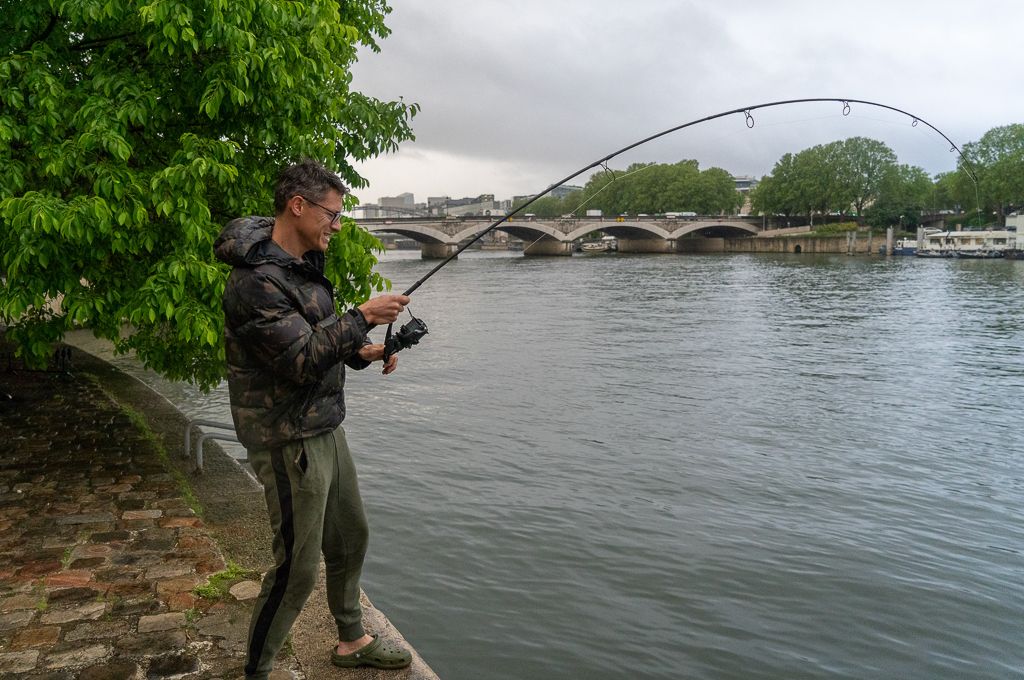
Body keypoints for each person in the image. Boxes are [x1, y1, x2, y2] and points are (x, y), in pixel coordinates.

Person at [214, 159, 413, 679]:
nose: (337, 225)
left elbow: (316, 338)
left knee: (350, 536)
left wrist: (361, 351)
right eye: (333, 214)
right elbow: (299, 359)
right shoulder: (253, 282)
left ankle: (351, 639)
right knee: (297, 569)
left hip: (323, 424)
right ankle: (258, 670)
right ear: (298, 206)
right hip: (286, 437)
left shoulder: (300, 265)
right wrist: (363, 316)